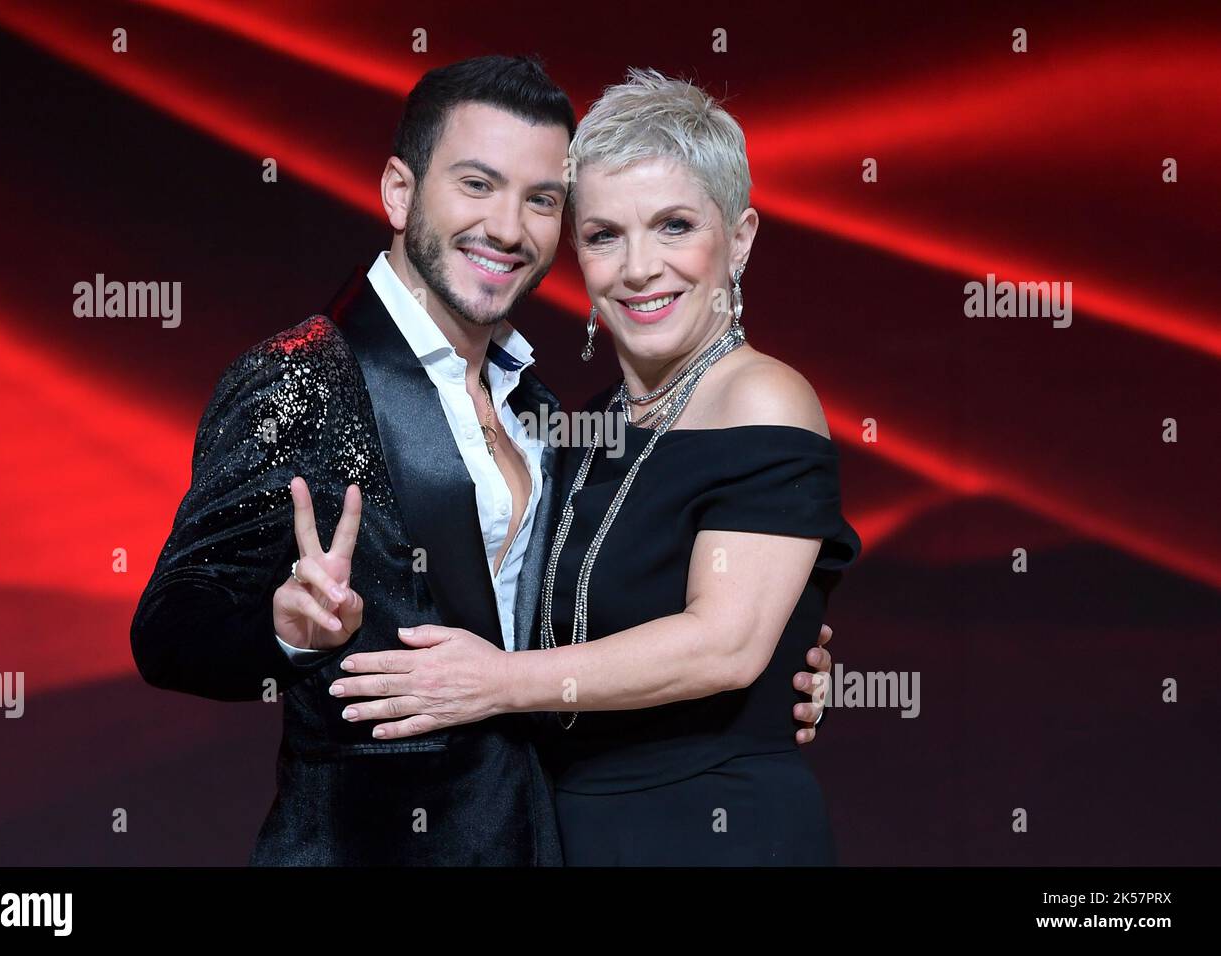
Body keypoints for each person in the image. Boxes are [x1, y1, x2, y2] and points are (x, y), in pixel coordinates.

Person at [131, 56, 836, 866]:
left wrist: (779, 652)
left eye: (540, 200)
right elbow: (170, 631)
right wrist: (285, 633)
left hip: (546, 840)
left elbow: (643, 608)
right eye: (477, 184)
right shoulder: (303, 374)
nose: (508, 227)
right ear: (400, 193)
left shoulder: (542, 411)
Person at [330, 69, 861, 865]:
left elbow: (724, 646)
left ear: (741, 237)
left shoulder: (764, 399)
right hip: (566, 831)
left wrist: (499, 682)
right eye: (606, 234)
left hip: (715, 833)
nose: (639, 268)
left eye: (675, 226)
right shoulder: (575, 429)